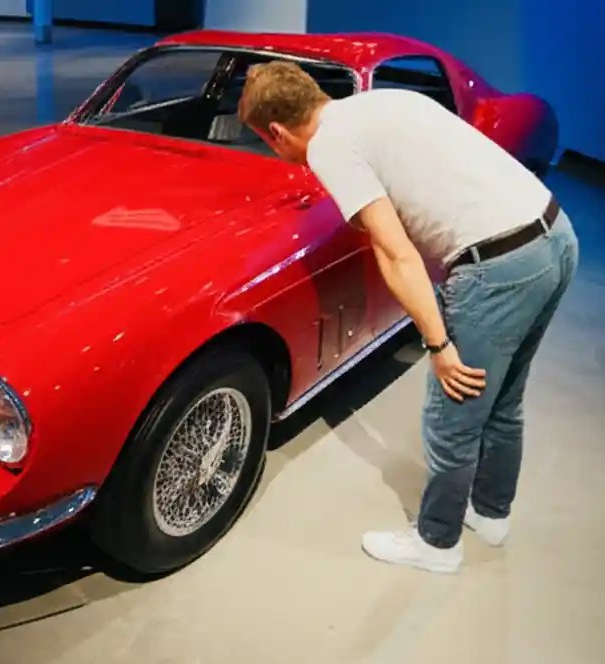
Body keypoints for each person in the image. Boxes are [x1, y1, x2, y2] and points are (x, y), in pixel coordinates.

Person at [237, 61, 578, 573]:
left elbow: (396, 253)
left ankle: (437, 543)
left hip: (499, 267)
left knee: (453, 416)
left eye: (268, 142)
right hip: (555, 236)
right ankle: (490, 515)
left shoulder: (330, 146)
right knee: (504, 401)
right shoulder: (384, 102)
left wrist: (438, 345)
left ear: (277, 132)